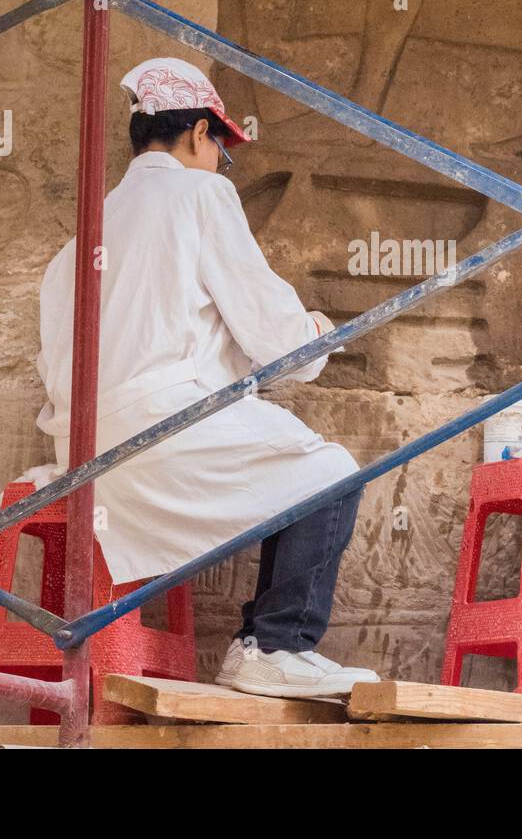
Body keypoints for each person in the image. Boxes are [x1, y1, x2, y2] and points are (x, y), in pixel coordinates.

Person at [35, 56, 379, 699]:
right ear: (200, 133)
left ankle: (270, 647)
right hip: (163, 432)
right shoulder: (202, 195)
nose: (223, 164)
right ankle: (275, 646)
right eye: (223, 149)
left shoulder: (81, 236)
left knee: (295, 463)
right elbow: (283, 347)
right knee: (331, 470)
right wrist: (316, 333)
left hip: (83, 455)